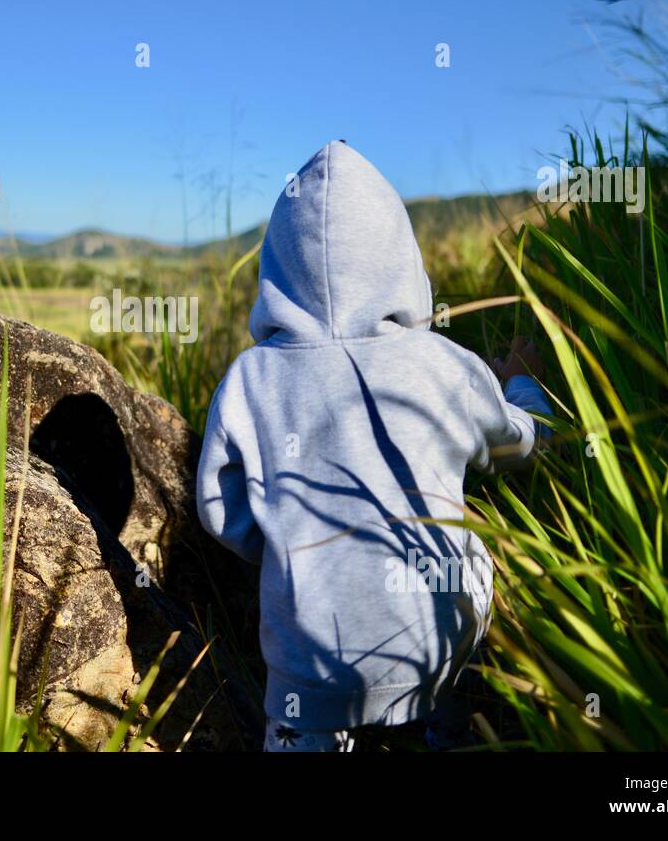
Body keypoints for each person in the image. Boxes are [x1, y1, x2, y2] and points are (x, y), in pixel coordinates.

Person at [196, 140, 552, 751]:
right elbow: (524, 446)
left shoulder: (248, 381)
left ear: (276, 269)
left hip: (304, 670)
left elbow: (222, 512)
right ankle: (446, 721)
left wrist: (294, 553)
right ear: (401, 262)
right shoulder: (444, 363)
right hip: (436, 640)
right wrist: (520, 383)